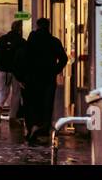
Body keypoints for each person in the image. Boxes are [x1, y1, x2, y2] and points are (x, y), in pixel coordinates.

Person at [18, 18, 68, 146]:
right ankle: (43, 130)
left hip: (32, 79)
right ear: (48, 27)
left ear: (37, 26)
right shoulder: (54, 41)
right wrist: (55, 70)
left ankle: (32, 128)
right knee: (46, 105)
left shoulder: (30, 42)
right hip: (48, 79)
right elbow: (63, 58)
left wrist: (22, 77)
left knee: (31, 104)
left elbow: (22, 60)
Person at [0, 20, 26, 123]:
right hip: (16, 72)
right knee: (16, 93)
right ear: (20, 29)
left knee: (3, 92)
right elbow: (24, 58)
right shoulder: (22, 41)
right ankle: (12, 117)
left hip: (4, 71)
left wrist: (0, 67)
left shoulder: (2, 39)